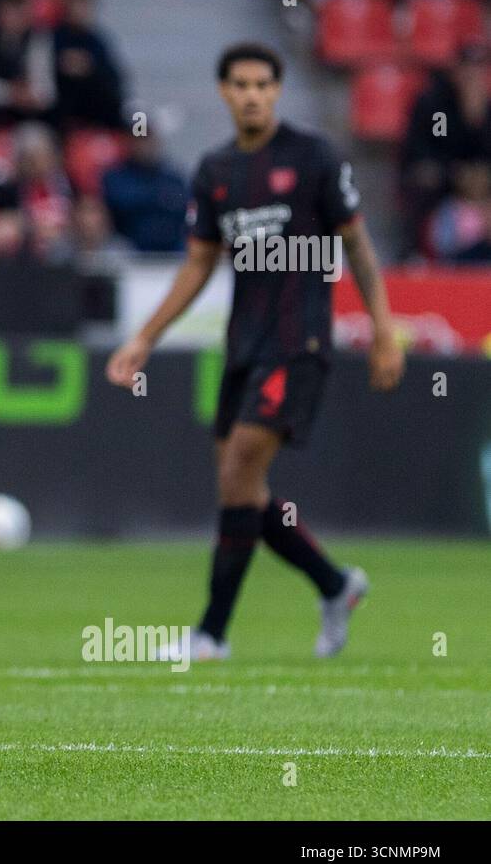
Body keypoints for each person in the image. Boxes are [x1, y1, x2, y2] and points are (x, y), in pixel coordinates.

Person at [106, 42, 404, 660]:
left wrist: (382, 328)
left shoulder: (314, 158)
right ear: (223, 92)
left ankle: (212, 635)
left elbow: (359, 247)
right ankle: (334, 583)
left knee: (241, 463)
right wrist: (144, 338)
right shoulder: (215, 171)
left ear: (276, 90)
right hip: (244, 344)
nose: (250, 94)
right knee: (242, 487)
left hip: (301, 342)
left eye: (262, 84)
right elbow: (197, 264)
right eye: (239, 84)